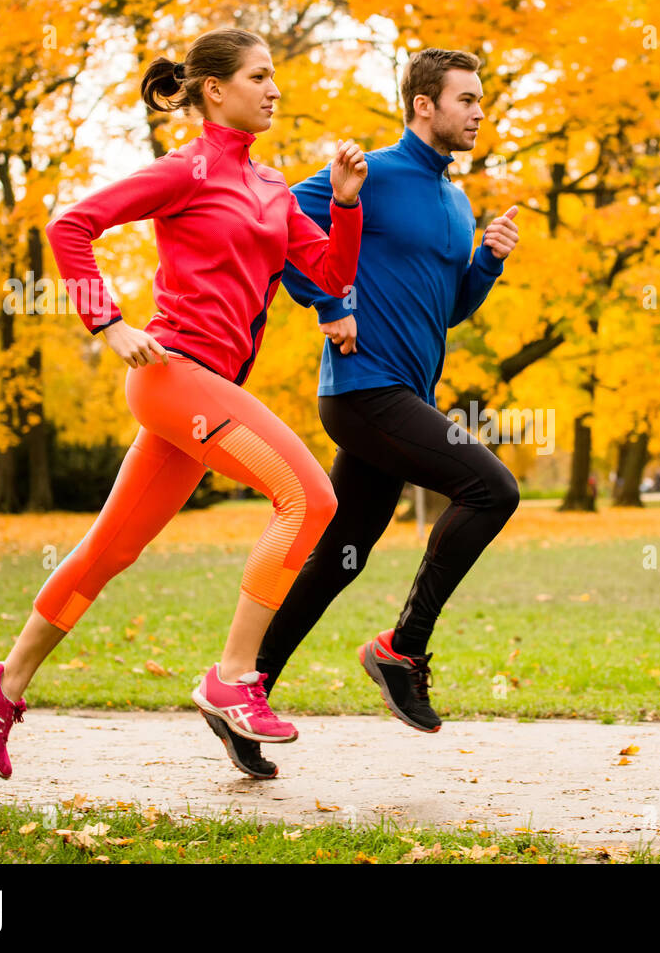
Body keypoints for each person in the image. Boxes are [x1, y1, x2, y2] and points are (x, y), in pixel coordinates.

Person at [0, 28, 368, 780]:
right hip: (170, 374)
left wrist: (345, 204)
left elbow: (332, 275)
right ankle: (233, 677)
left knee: (112, 547)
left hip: (208, 393)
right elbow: (70, 226)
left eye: (274, 77)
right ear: (214, 90)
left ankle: (5, 680)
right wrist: (108, 323)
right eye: (259, 76)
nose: (274, 89)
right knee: (309, 496)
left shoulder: (274, 188)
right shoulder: (185, 170)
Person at [205, 48, 521, 778]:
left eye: (480, 100)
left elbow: (450, 311)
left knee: (339, 557)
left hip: (404, 393)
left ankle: (243, 691)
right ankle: (402, 648)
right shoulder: (371, 173)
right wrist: (330, 303)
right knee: (492, 488)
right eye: (466, 99)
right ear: (423, 106)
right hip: (363, 391)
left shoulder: (454, 200)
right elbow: (280, 228)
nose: (478, 112)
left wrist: (487, 264)